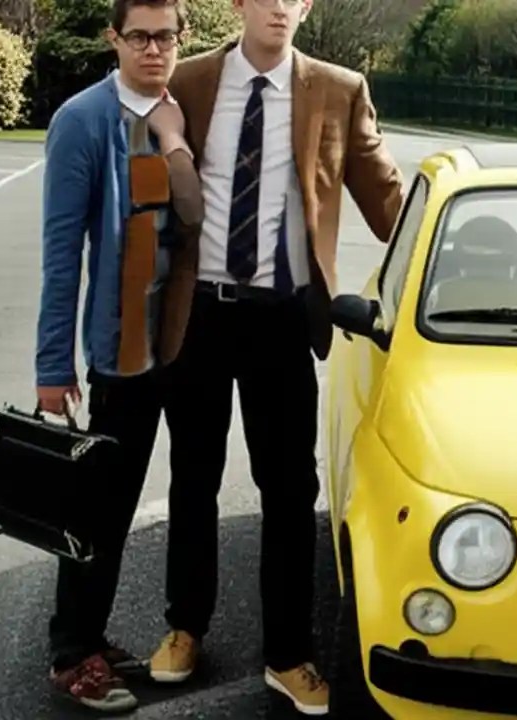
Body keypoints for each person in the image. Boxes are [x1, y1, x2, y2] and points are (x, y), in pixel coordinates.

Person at [147, 0, 405, 712]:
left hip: (284, 320)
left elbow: (388, 203)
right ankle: (184, 626)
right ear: (238, 4)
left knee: (290, 492)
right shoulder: (192, 81)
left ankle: (289, 655)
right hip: (199, 314)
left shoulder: (340, 88)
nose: (281, 8)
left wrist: (459, 234)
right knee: (192, 478)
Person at [35, 0, 204, 711]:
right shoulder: (82, 120)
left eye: (166, 36)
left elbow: (196, 218)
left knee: (186, 490)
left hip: (188, 343)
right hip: (121, 353)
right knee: (101, 510)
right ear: (114, 38)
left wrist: (174, 139)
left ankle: (98, 635)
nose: (154, 49)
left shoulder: (180, 110)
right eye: (140, 36)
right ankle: (73, 653)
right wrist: (52, 367)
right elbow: (61, 253)